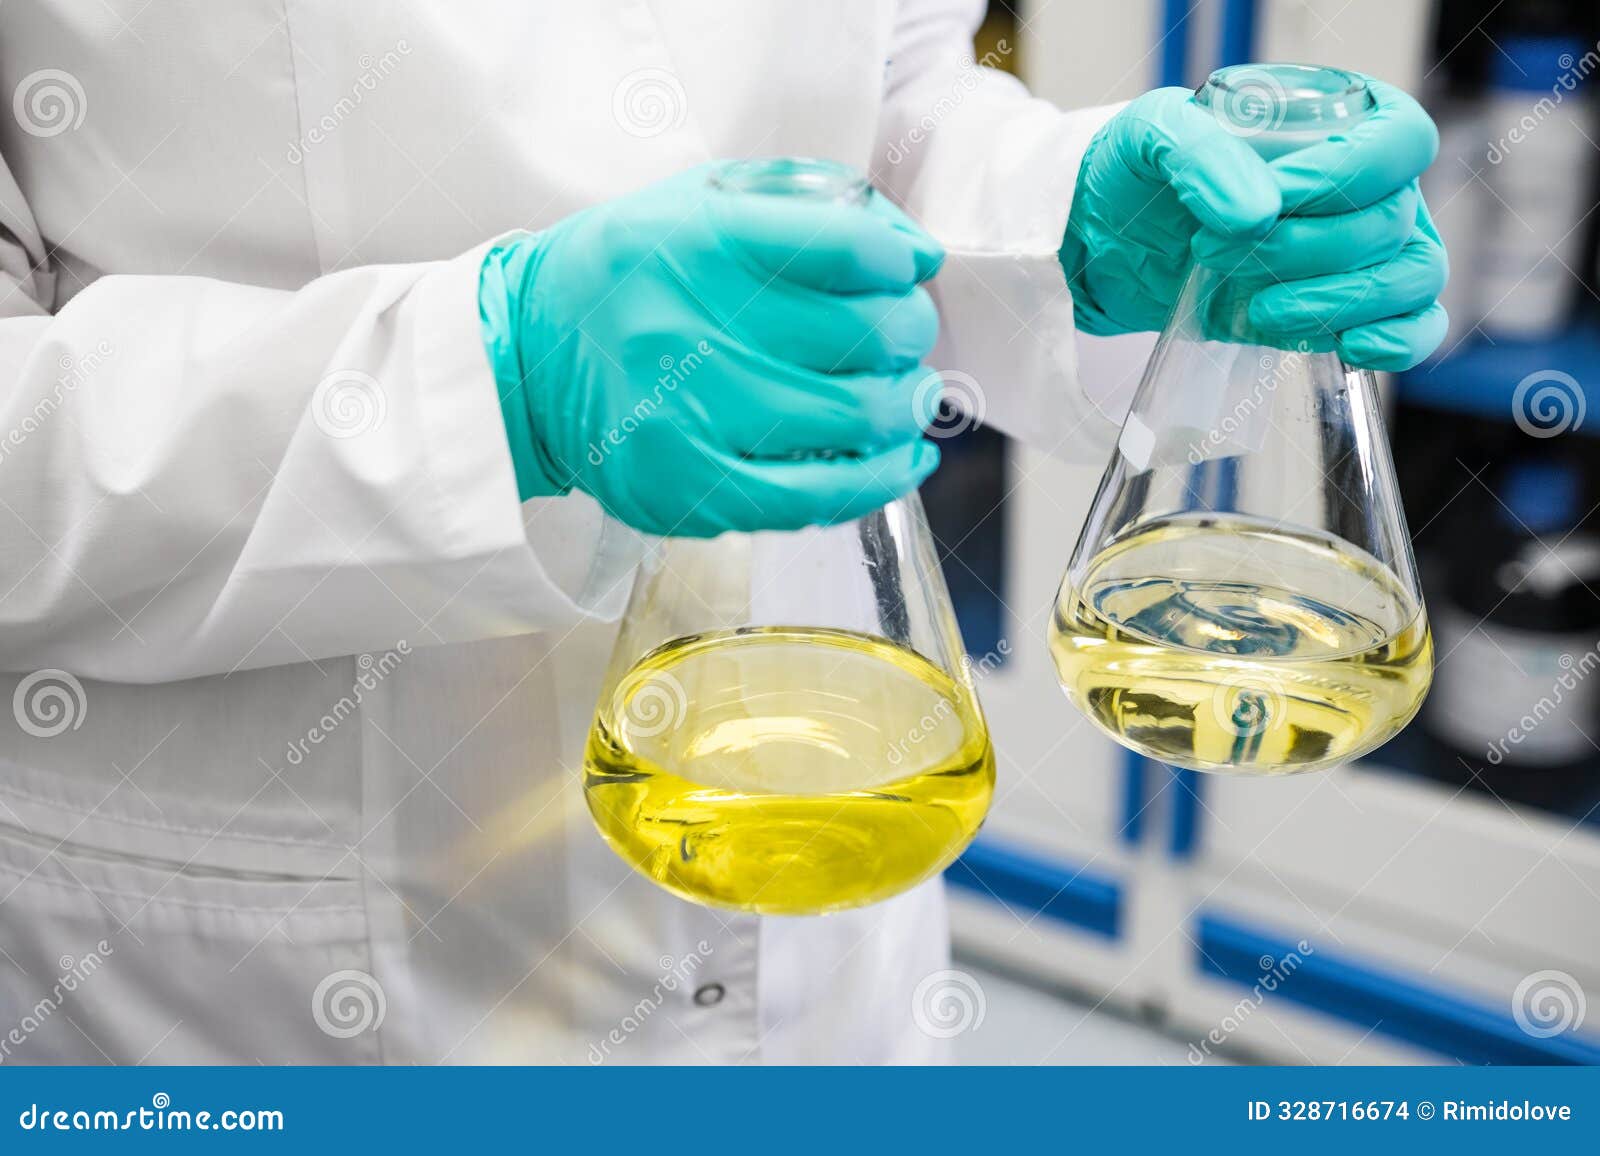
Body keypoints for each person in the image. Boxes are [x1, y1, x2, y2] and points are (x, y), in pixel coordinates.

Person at [0, 1, 1444, 1063]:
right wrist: (488, 382)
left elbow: (883, 98)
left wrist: (1068, 226)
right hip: (257, 994)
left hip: (828, 874)